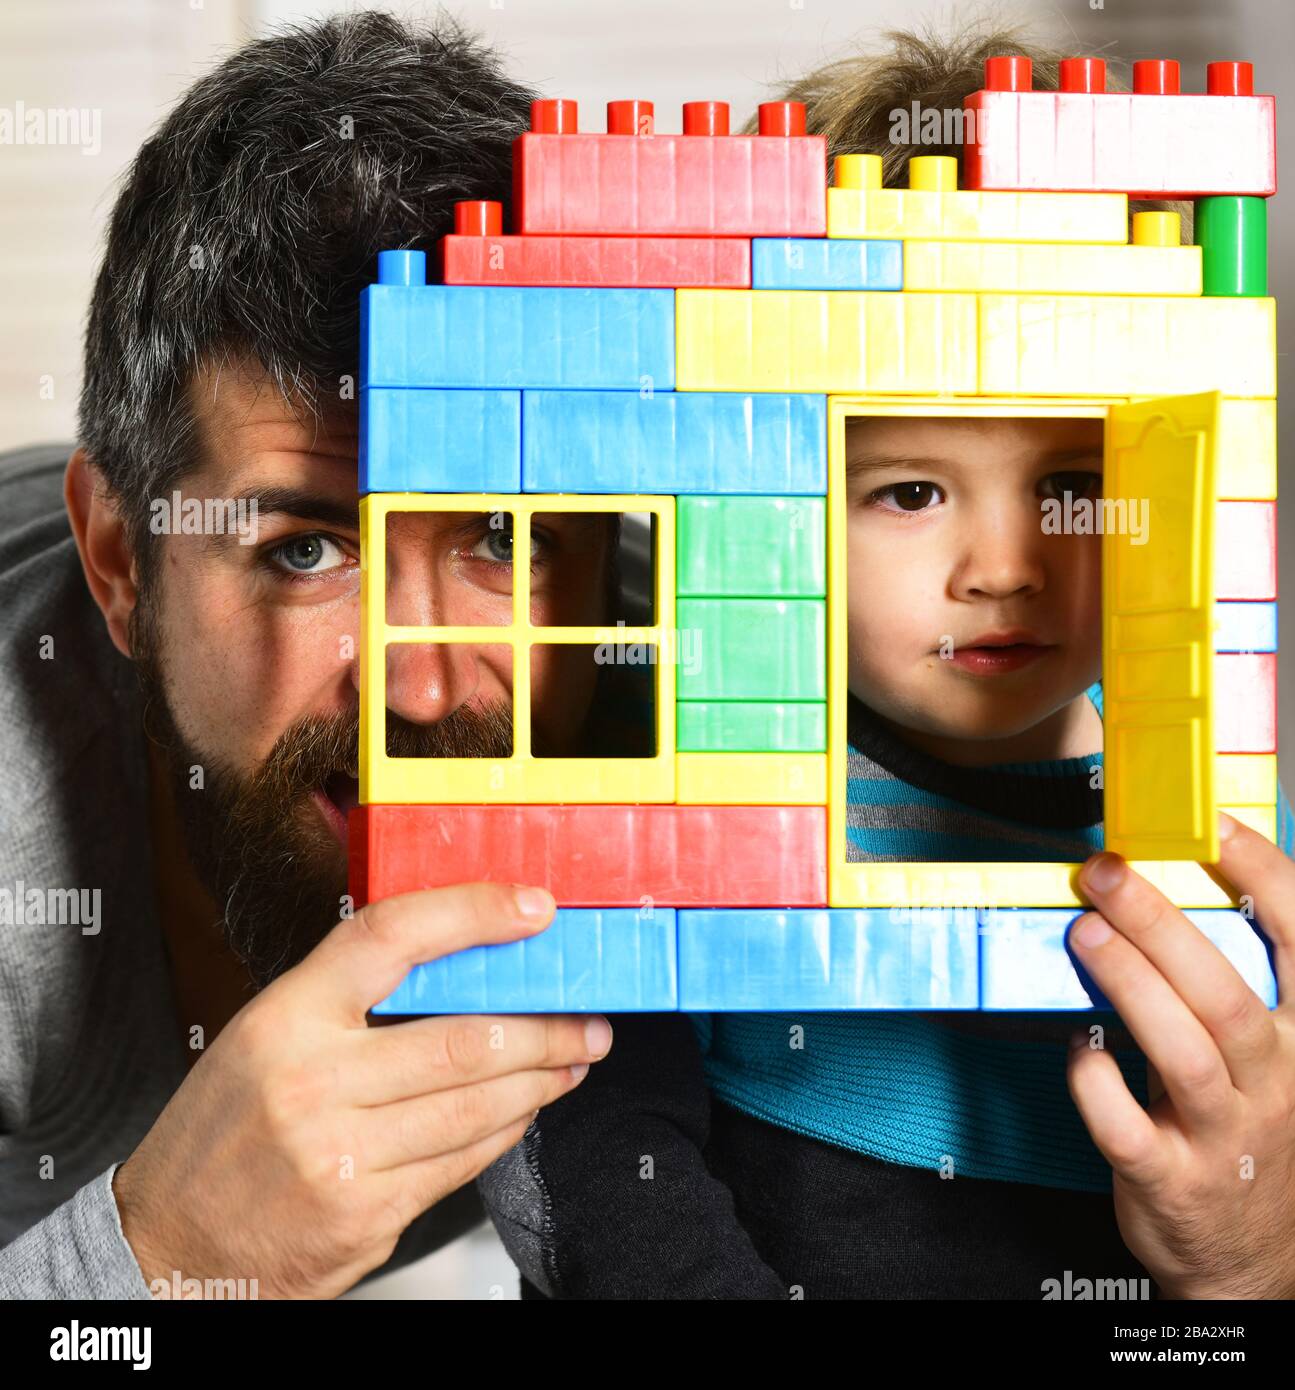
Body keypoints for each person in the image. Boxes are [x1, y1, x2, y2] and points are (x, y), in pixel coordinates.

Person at [475, 26, 1295, 1300]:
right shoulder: (689, 762)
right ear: (769, 500)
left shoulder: (1233, 813)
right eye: (910, 490)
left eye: (1070, 485)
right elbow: (598, 1149)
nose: (1004, 565)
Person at [0, 11, 618, 1301]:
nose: (421, 686)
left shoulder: (725, 664)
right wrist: (163, 1264)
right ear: (120, 563)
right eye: (304, 551)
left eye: (500, 534)